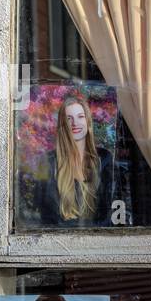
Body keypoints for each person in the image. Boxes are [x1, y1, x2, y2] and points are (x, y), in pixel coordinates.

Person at [36, 92, 115, 227]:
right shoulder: (50, 162)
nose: (75, 123)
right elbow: (47, 216)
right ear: (62, 125)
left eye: (80, 117)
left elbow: (109, 212)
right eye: (69, 118)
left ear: (88, 122)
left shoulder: (104, 159)